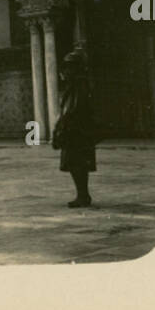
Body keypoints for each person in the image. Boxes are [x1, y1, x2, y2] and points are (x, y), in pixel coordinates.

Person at [53, 48, 98, 208]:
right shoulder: (76, 85)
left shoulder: (79, 85)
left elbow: (73, 110)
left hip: (77, 132)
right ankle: (82, 195)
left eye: (69, 67)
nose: (66, 70)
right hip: (76, 131)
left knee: (77, 164)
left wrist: (62, 128)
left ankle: (83, 195)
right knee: (76, 164)